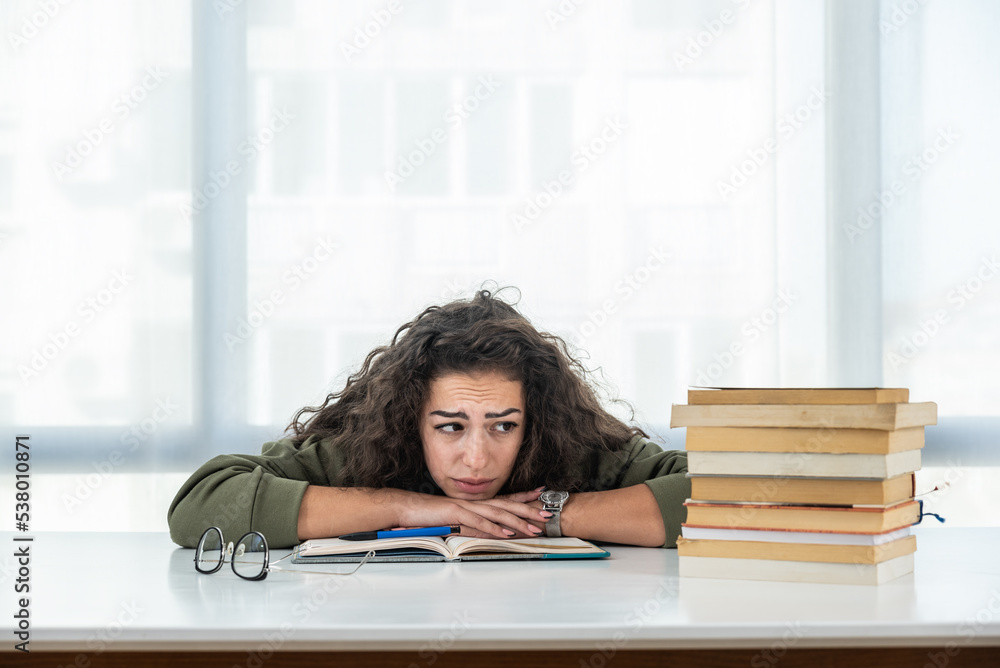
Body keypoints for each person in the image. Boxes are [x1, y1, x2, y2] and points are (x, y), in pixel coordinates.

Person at [168, 287, 689, 549]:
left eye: (504, 425)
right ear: (410, 420)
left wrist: (543, 517)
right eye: (450, 427)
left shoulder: (572, 446)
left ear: (536, 421)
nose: (477, 457)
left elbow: (726, 492)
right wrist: (405, 507)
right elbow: (200, 505)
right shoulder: (366, 451)